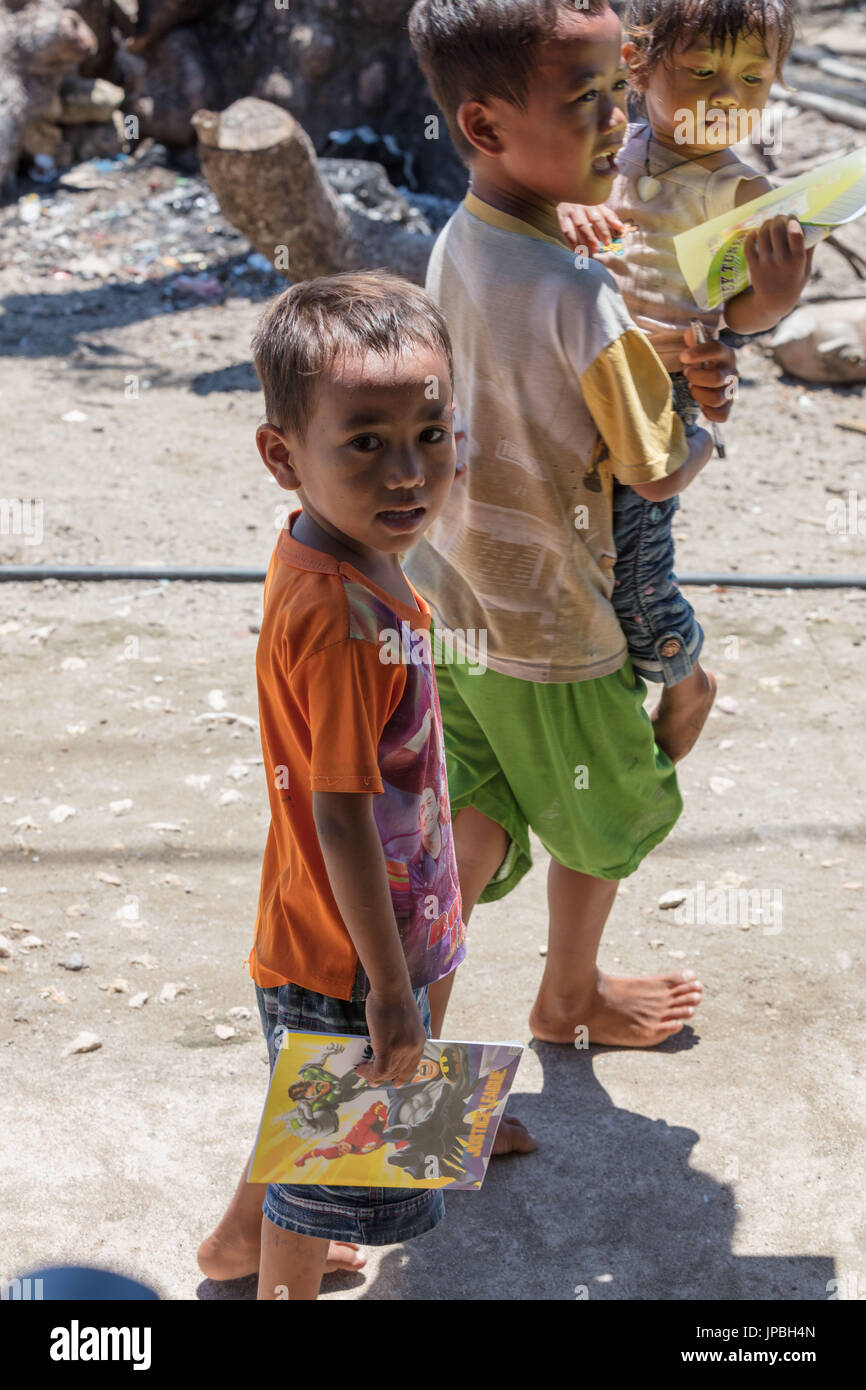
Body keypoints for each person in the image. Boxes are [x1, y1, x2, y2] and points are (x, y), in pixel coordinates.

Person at [405, 0, 739, 1057]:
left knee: (475, 814)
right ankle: (567, 1000)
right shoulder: (581, 296)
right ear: (486, 125)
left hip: (449, 595)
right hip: (551, 622)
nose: (615, 120)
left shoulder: (460, 239)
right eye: (584, 99)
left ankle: (403, 1057)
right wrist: (708, 418)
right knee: (611, 802)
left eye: (616, 91)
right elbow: (651, 471)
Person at [198, 271, 465, 1300]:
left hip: (364, 921)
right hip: (345, 950)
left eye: (430, 434)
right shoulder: (349, 616)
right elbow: (342, 811)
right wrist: (388, 986)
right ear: (281, 455)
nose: (408, 473)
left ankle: (235, 1242)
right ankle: (280, 1284)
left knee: (309, 1115)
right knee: (327, 1166)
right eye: (364, 442)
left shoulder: (332, 547)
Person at [557, 0, 811, 761]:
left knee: (635, 558)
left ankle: (682, 670)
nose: (726, 97)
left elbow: (744, 313)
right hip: (579, 374)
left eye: (752, 78)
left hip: (658, 386)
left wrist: (783, 286)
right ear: (636, 64)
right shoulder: (610, 150)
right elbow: (551, 203)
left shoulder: (738, 192)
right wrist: (571, 209)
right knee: (580, 541)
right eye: (701, 72)